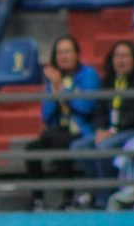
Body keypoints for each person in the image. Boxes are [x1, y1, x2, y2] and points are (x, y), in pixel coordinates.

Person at [24, 36, 100, 210]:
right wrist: (53, 88)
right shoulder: (54, 78)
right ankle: (38, 200)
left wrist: (61, 89)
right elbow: (46, 115)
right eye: (60, 52)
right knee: (31, 149)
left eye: (68, 52)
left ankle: (67, 197)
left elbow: (86, 108)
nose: (63, 56)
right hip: (58, 130)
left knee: (61, 143)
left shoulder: (89, 75)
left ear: (77, 54)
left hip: (82, 130)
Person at [71, 41, 134, 208]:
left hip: (132, 130)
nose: (120, 60)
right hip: (110, 131)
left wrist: (114, 130)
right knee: (79, 147)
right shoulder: (108, 80)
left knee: (104, 148)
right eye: (117, 56)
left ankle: (105, 199)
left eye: (125, 56)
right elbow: (100, 109)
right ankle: (96, 192)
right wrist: (101, 129)